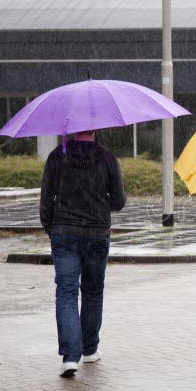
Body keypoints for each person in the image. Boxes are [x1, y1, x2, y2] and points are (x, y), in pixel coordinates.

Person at [40, 129, 126, 378]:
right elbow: (119, 201)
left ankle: (70, 357)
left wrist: (52, 228)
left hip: (64, 233)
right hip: (97, 233)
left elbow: (46, 199)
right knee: (93, 290)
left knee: (66, 292)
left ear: (71, 129)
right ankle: (89, 349)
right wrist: (99, 204)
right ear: (95, 129)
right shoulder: (107, 158)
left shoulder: (57, 156)